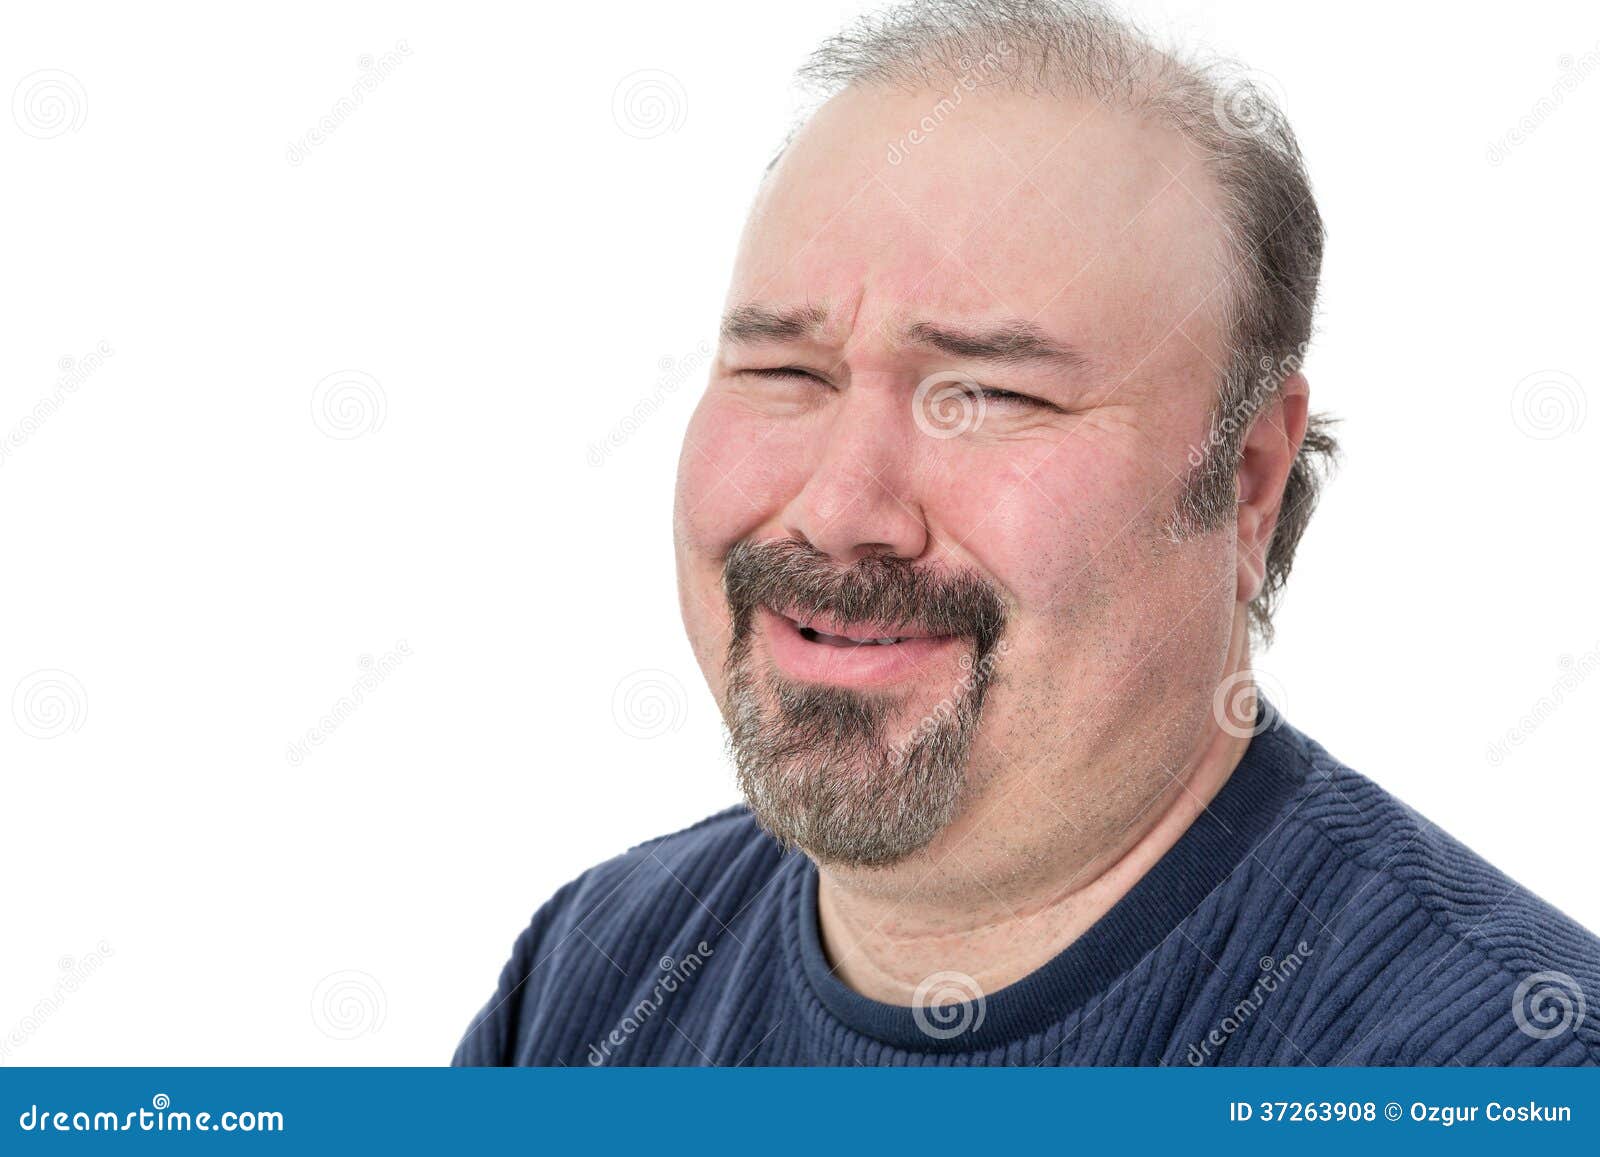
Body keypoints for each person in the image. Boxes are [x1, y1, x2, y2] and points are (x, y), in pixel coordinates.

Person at [455, 0, 1599, 1066]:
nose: (841, 508)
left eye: (989, 395)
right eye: (784, 371)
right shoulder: (590, 980)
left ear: (1246, 477)